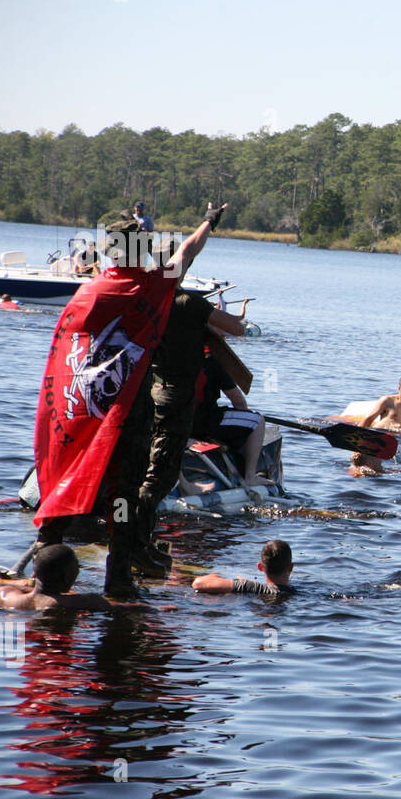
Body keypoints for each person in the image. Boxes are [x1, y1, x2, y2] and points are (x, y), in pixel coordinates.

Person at [25, 205, 227, 596]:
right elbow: (187, 251)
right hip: (124, 412)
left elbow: (67, 350)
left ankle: (45, 562)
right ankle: (118, 576)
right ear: (140, 251)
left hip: (79, 409)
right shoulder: (150, 285)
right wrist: (209, 222)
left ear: (110, 253)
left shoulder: (90, 291)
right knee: (124, 494)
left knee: (69, 475)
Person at [133, 239, 253, 571]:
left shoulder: (140, 299)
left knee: (156, 448)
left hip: (144, 394)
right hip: (180, 399)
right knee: (162, 467)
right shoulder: (187, 302)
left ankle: (133, 537)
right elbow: (237, 330)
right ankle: (139, 542)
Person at [0, 545, 152, 611]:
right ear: (67, 576)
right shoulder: (84, 601)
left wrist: (27, 586)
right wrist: (160, 609)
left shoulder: (0, 594)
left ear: (34, 574)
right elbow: (128, 607)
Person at [190, 351, 272, 489]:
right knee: (256, 420)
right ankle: (250, 476)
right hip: (204, 423)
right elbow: (238, 402)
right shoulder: (212, 363)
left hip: (176, 422)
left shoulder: (171, 358)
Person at [193, 540, 294, 595]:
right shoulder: (294, 594)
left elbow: (198, 583)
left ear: (260, 567)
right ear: (291, 568)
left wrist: (244, 584)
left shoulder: (251, 587)